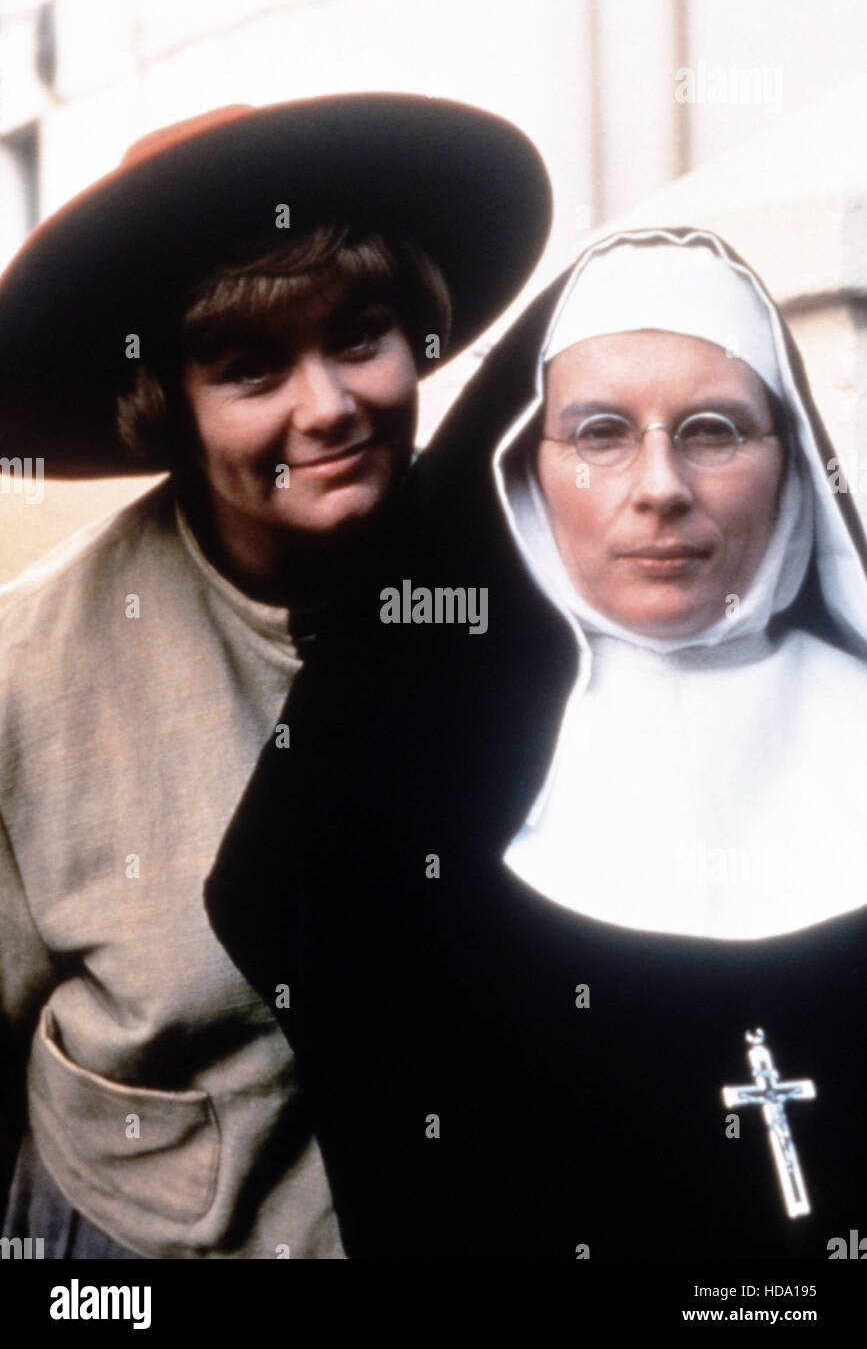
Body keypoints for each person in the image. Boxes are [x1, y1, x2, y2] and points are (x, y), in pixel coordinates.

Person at [206, 227, 867, 1259]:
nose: (660, 486)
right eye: (601, 432)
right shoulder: (426, 785)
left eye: (715, 429)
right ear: (526, 470)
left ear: (789, 463)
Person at [0, 94, 551, 1259]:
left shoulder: (549, 594)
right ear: (170, 408)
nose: (330, 405)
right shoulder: (26, 675)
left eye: (360, 334)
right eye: (251, 368)